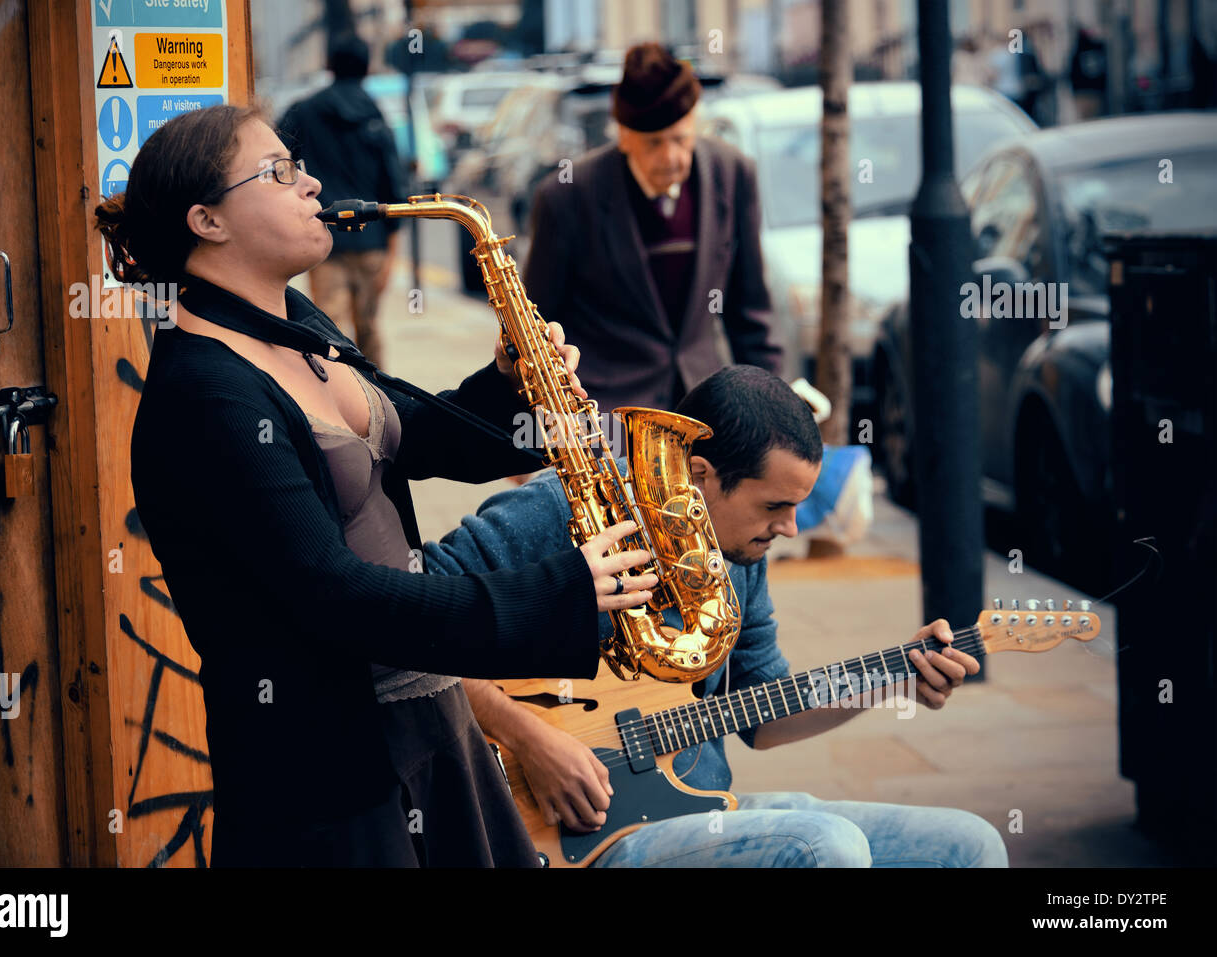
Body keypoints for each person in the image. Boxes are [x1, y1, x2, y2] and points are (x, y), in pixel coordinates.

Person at [99, 103, 659, 867]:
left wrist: (511, 383)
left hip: (430, 725)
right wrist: (563, 586)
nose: (314, 183)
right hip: (330, 780)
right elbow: (337, 596)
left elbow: (416, 435)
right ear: (208, 221)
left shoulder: (293, 320)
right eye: (281, 172)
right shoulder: (206, 397)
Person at [424, 367, 1009, 867]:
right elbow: (409, 624)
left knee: (971, 845)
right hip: (571, 840)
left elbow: (764, 714)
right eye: (775, 506)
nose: (790, 530)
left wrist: (894, 677)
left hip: (700, 811)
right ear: (699, 476)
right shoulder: (558, 510)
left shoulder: (736, 553)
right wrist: (526, 737)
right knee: (825, 849)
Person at [523, 43, 783, 415]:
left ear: (695, 124)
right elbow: (539, 326)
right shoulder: (565, 195)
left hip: (703, 406)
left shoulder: (733, 173)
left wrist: (771, 415)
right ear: (624, 136)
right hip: (606, 418)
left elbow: (752, 313)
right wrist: (534, 426)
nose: (671, 158)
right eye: (654, 143)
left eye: (681, 139)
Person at [276, 31, 405, 369]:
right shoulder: (375, 115)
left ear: (329, 65)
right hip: (373, 240)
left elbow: (274, 162)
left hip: (325, 235)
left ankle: (336, 401)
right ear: (366, 68)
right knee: (369, 327)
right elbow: (394, 186)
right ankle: (381, 398)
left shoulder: (303, 112)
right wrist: (392, 250)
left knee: (327, 330)